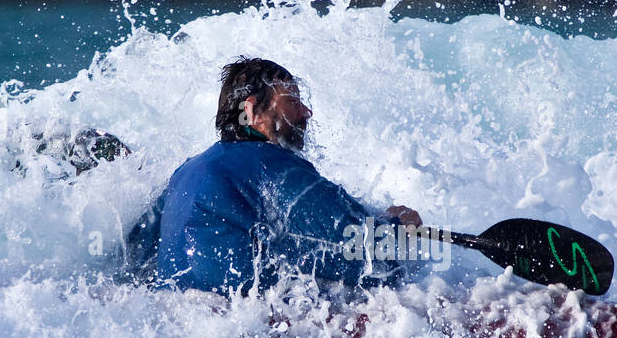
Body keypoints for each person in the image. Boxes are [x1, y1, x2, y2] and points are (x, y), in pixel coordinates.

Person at [128, 57, 422, 293]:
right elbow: (369, 255)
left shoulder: (186, 171)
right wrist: (398, 228)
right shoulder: (268, 163)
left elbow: (136, 257)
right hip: (240, 329)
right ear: (253, 111)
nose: (306, 112)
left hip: (176, 318)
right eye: (292, 101)